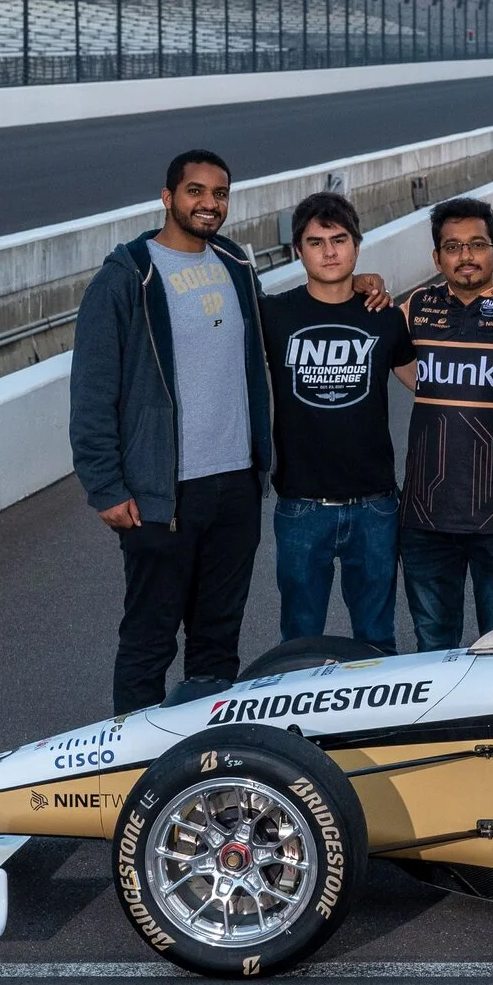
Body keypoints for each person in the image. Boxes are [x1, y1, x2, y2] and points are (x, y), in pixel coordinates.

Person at [69, 149, 273, 714]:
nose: (209, 204)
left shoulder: (234, 263)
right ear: (168, 197)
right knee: (149, 642)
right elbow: (92, 391)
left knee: (217, 642)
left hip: (236, 486)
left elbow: (270, 333)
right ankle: (136, 760)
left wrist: (357, 286)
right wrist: (105, 487)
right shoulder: (126, 277)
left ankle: (202, 758)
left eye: (220, 194)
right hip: (162, 496)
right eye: (195, 191)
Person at [256, 193, 416, 649]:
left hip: (376, 506)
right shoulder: (273, 315)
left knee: (377, 639)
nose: (329, 252)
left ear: (357, 245)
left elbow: (427, 385)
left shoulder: (384, 316)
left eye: (339, 240)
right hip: (301, 506)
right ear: (298, 251)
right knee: (299, 641)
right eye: (316, 242)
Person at [398, 197, 493, 650]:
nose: (466, 256)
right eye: (452, 247)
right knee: (434, 648)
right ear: (437, 258)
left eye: (477, 244)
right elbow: (396, 357)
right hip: (426, 517)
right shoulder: (415, 308)